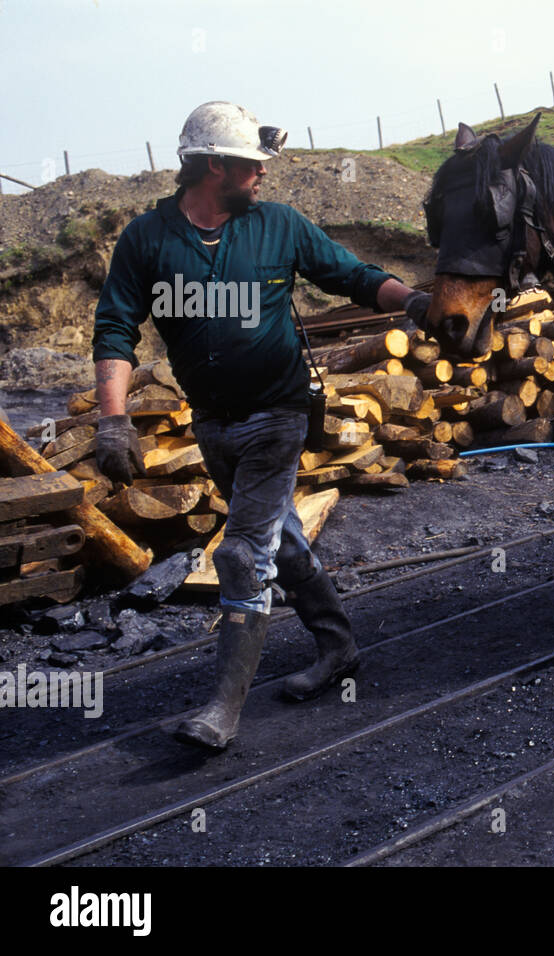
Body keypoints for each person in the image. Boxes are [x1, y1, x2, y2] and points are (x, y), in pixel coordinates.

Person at [92, 102, 431, 750]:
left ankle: (222, 709)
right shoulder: (148, 240)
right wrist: (112, 423)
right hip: (214, 426)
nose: (262, 177)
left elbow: (351, 275)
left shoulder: (279, 226)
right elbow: (115, 328)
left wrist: (411, 299)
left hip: (279, 414)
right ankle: (339, 647)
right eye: (252, 165)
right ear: (213, 166)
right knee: (281, 539)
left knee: (243, 554)